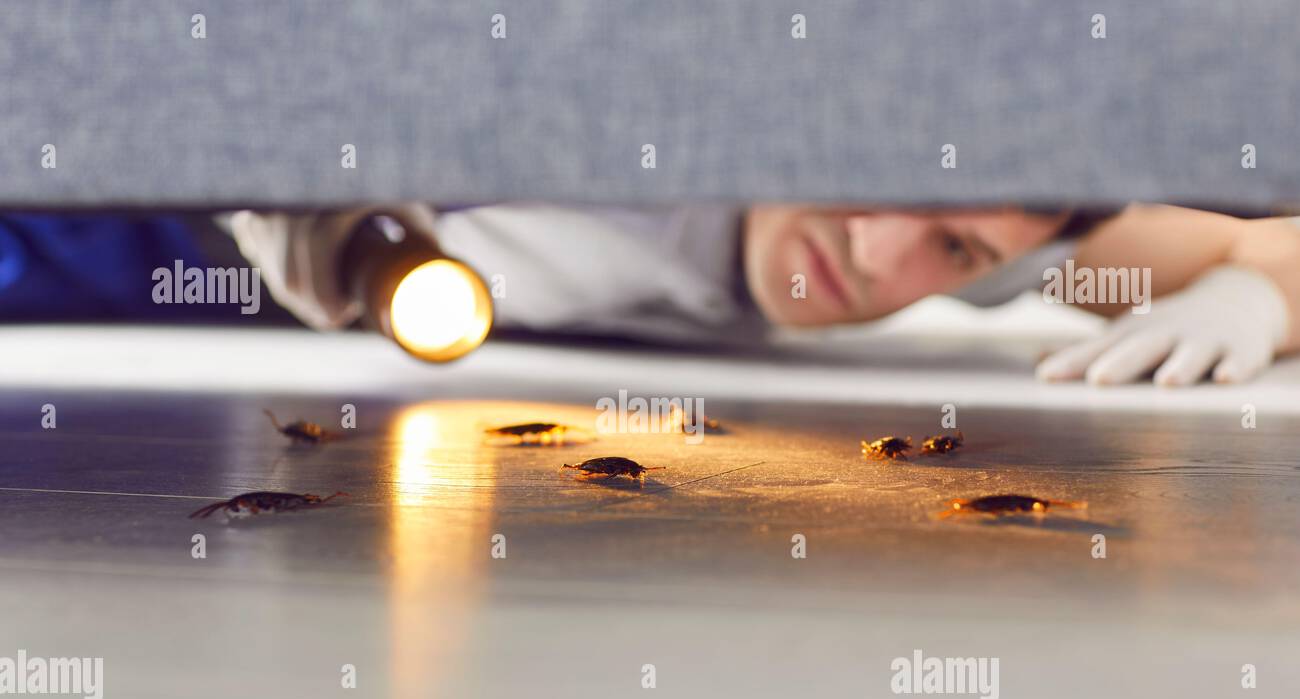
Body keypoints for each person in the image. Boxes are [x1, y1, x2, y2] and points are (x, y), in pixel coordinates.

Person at [227, 202, 1296, 386]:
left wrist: (1253, 294)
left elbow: (1271, 244)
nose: (878, 256)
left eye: (952, 250)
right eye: (887, 182)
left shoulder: (1008, 233)